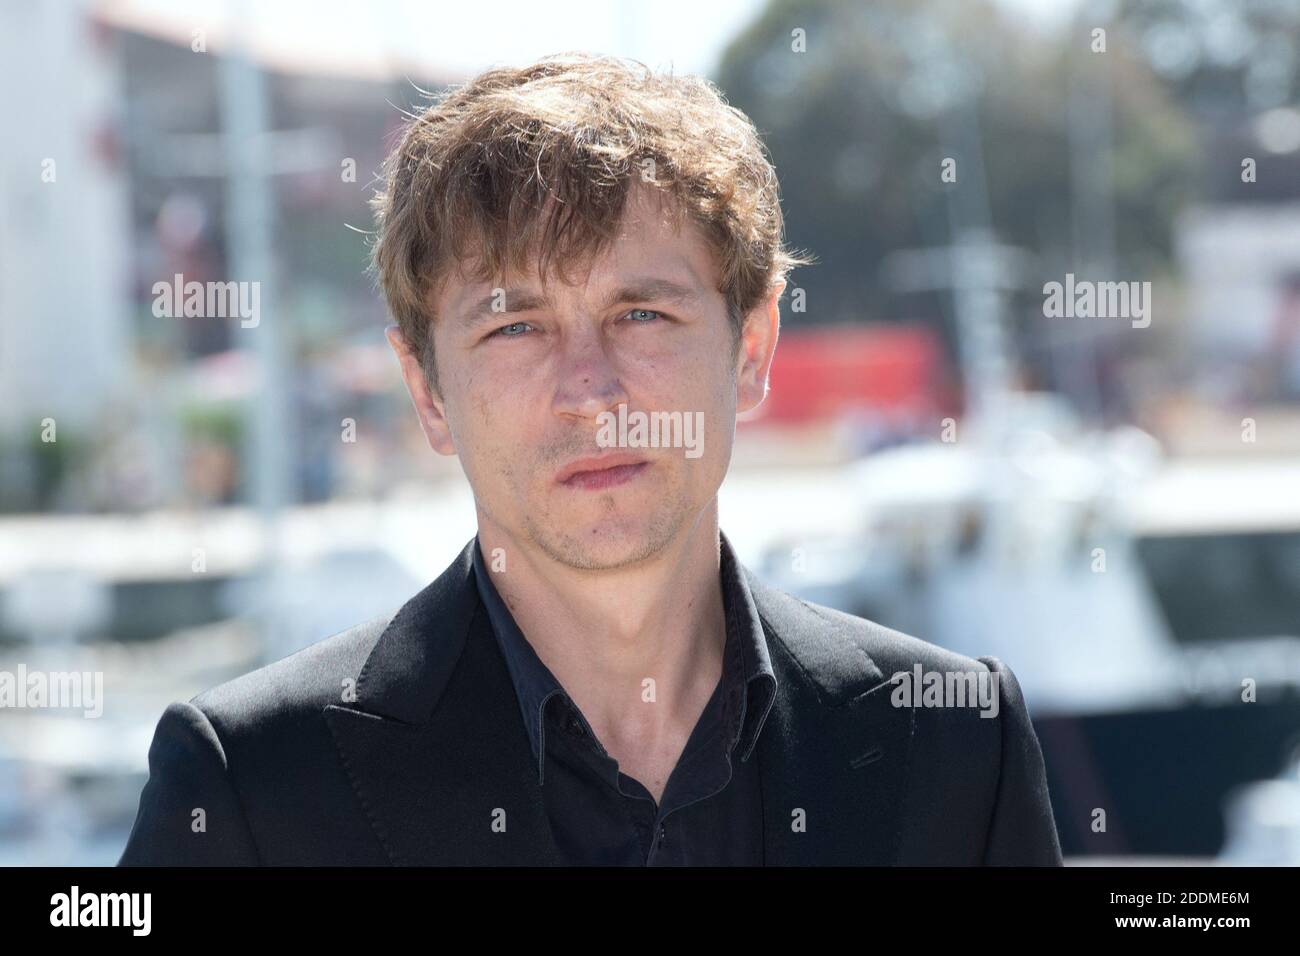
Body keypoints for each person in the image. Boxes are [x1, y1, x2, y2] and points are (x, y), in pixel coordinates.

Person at [118, 52, 1061, 866]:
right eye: (516, 327)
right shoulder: (250, 788)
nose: (590, 391)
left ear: (753, 350)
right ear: (428, 394)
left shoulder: (952, 746)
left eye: (640, 313)